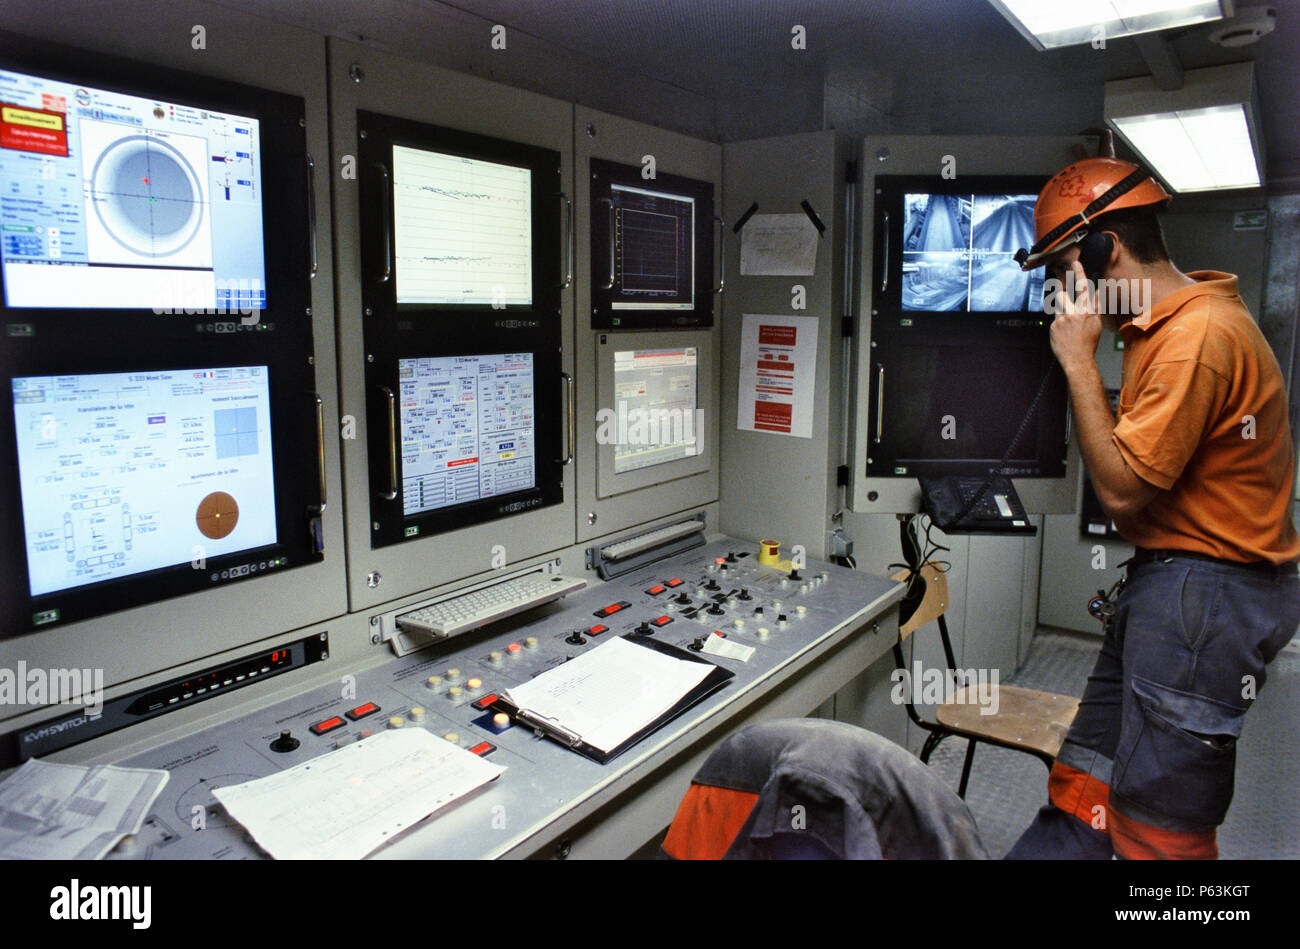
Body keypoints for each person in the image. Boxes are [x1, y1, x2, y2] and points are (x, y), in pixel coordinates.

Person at [1005, 156, 1300, 859]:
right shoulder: (1168, 328)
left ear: (1106, 248)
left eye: (1064, 265)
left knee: (1161, 820)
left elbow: (1122, 489)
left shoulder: (1193, 341)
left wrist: (1078, 361)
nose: (1060, 288)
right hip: (1181, 581)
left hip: (1206, 593)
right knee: (1093, 771)